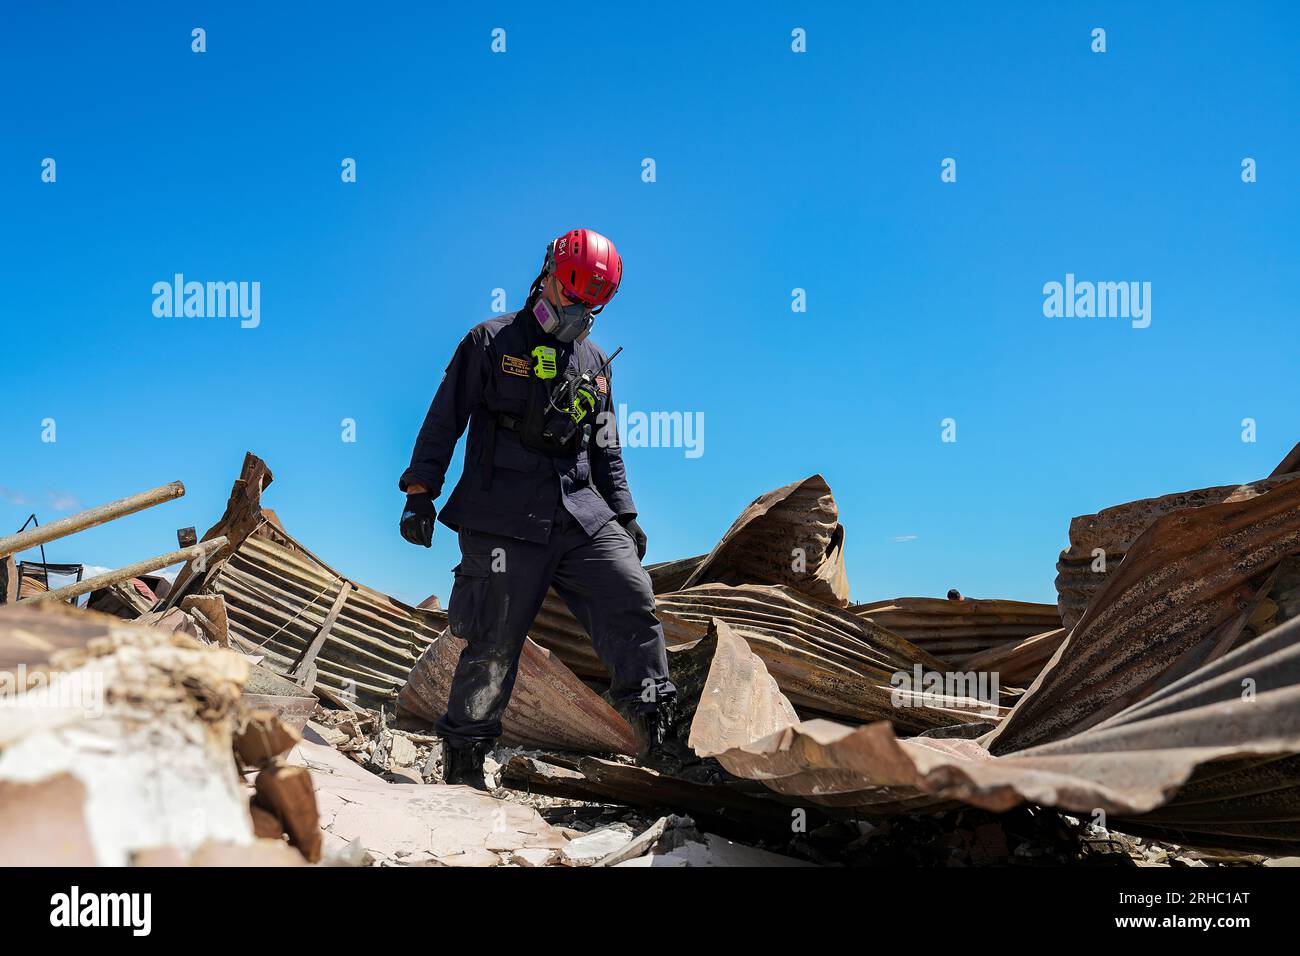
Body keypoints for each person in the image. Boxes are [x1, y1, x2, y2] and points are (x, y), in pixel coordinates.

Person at [397, 228, 677, 790]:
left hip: (579, 514)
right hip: (501, 517)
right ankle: (465, 767)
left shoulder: (596, 361)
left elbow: (606, 445)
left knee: (633, 601)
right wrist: (420, 492)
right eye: (572, 297)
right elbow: (444, 418)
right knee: (494, 643)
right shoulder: (489, 342)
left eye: (591, 304)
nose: (579, 311)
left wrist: (623, 513)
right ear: (547, 275)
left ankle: (663, 743)